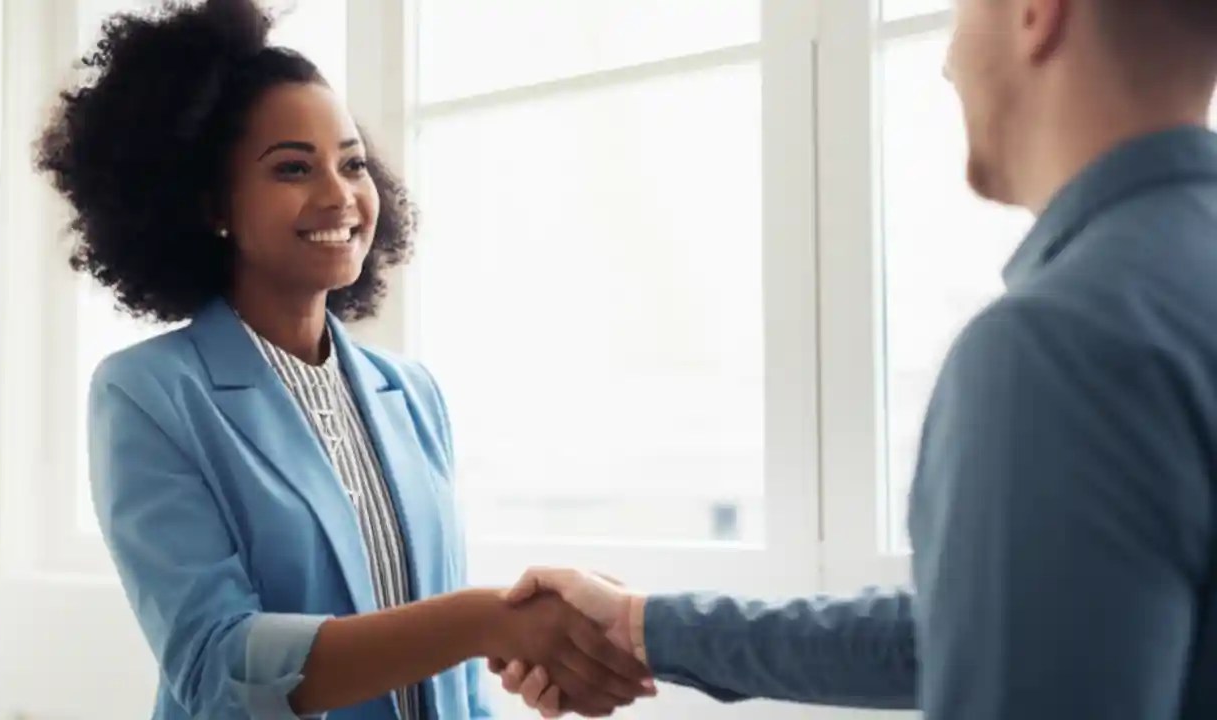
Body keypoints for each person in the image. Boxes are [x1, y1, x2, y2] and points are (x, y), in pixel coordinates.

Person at [496, 0, 1217, 717]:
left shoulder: (1055, 349)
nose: (948, 61)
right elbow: (1004, 629)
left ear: (1037, 13)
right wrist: (647, 627)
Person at [33, 1, 650, 718]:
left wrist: (525, 643)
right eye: (293, 168)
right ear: (211, 205)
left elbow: (448, 672)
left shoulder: (411, 392)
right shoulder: (148, 393)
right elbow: (217, 668)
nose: (339, 195)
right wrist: (486, 622)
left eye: (353, 163)